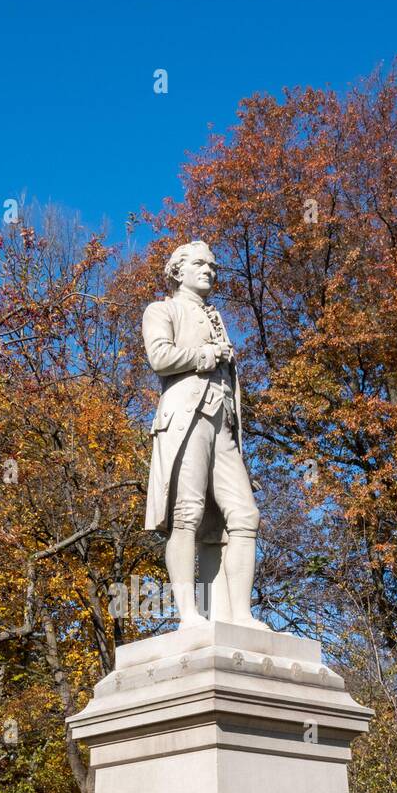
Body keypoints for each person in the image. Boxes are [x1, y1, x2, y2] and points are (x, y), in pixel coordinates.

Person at [143, 240, 261, 627]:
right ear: (178, 271)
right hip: (186, 418)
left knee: (244, 516)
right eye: (199, 264)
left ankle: (238, 615)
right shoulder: (163, 309)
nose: (209, 270)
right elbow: (160, 358)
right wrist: (207, 355)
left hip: (222, 424)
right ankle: (191, 616)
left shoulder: (215, 316)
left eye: (212, 265)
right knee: (187, 515)